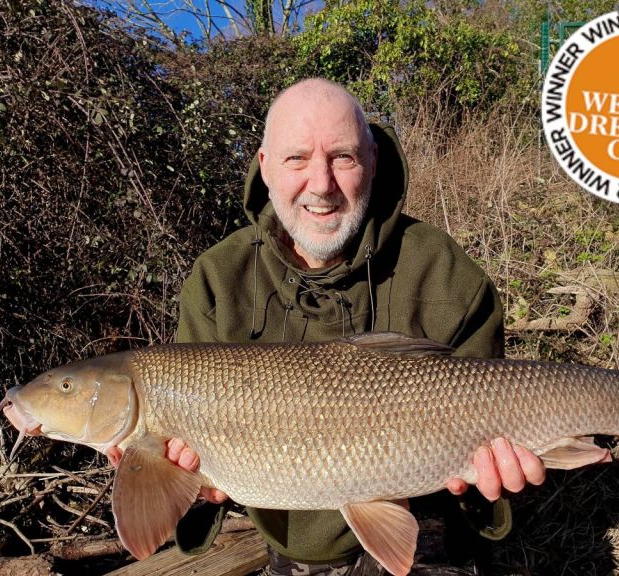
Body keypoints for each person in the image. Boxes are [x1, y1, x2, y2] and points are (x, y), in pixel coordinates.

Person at [166, 78, 546, 574]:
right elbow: (189, 481)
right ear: (265, 167)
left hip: (425, 509)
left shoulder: (443, 271)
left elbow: (493, 417)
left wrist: (486, 481)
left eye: (342, 157)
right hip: (294, 537)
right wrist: (191, 485)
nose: (321, 184)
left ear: (372, 161)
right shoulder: (218, 278)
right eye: (296, 158)